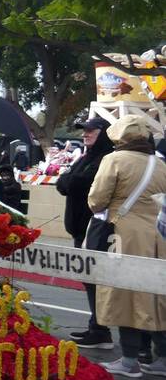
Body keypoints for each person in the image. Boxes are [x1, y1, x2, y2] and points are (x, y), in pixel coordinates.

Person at [86, 115, 166, 377]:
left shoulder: (114, 160)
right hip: (158, 237)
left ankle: (129, 360)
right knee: (156, 296)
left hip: (123, 235)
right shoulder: (160, 164)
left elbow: (97, 201)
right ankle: (161, 357)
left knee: (124, 295)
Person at [58, 117, 117, 349]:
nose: (86, 134)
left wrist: (68, 180)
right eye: (85, 131)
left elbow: (76, 183)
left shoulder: (106, 158)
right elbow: (65, 182)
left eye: (91, 131)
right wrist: (68, 179)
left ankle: (101, 329)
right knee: (89, 280)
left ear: (103, 133)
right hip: (81, 228)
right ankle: (97, 326)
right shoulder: (86, 157)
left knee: (96, 280)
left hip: (95, 229)